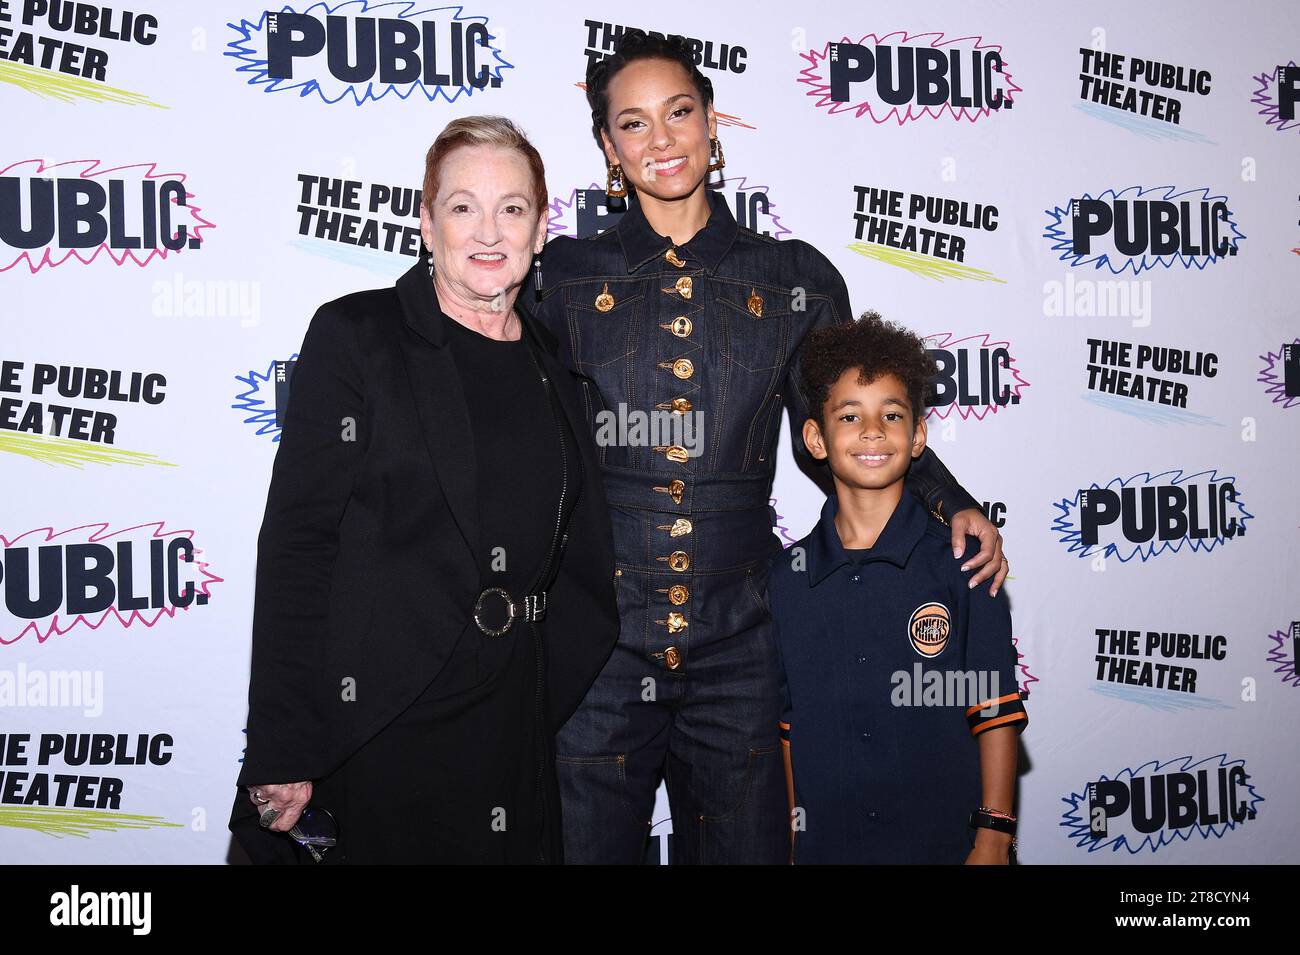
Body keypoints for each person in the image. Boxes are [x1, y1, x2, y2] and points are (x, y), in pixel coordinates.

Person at [528, 30, 1010, 864]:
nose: (662, 139)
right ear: (608, 146)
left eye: (679, 112)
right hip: (601, 644)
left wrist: (952, 500)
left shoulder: (793, 278)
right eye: (633, 123)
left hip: (741, 647)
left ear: (712, 122)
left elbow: (847, 420)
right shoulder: (562, 277)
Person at [227, 116, 619, 864]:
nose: (488, 230)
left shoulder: (553, 362)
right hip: (378, 723)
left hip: (510, 730)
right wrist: (285, 742)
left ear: (541, 228)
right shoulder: (358, 335)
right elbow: (297, 547)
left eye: (512, 208)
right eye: (462, 206)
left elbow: (579, 556)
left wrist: (540, 694)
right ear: (426, 223)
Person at [768, 312, 1028, 864]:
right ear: (815, 438)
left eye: (891, 415)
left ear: (918, 437)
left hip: (947, 848)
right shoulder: (787, 578)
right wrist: (793, 844)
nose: (872, 431)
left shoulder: (965, 563)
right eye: (849, 416)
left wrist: (993, 839)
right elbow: (790, 725)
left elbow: (995, 708)